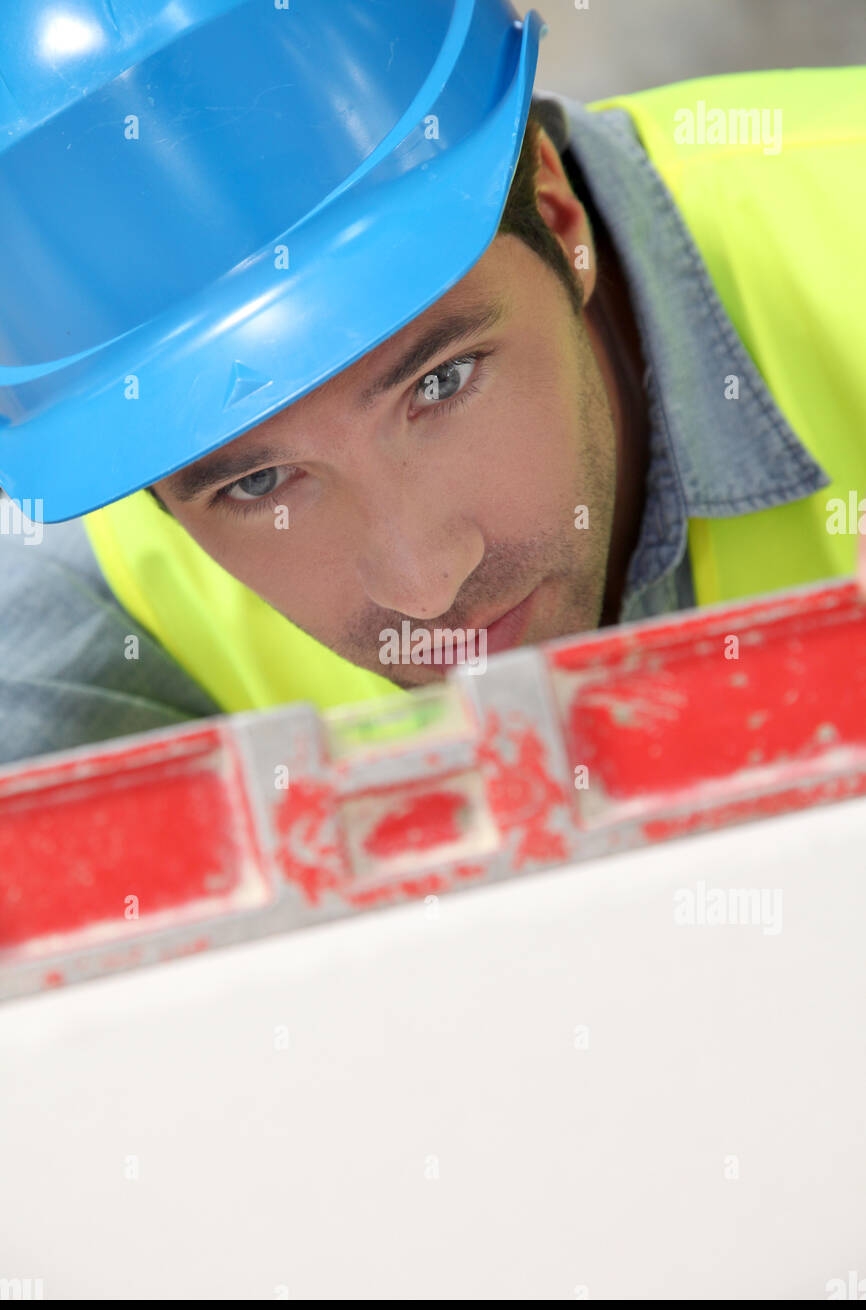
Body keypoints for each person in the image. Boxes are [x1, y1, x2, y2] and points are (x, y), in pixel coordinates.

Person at [1, 0, 863, 766]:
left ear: (556, 217)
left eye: (442, 382)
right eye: (255, 482)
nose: (426, 588)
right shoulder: (94, 589)